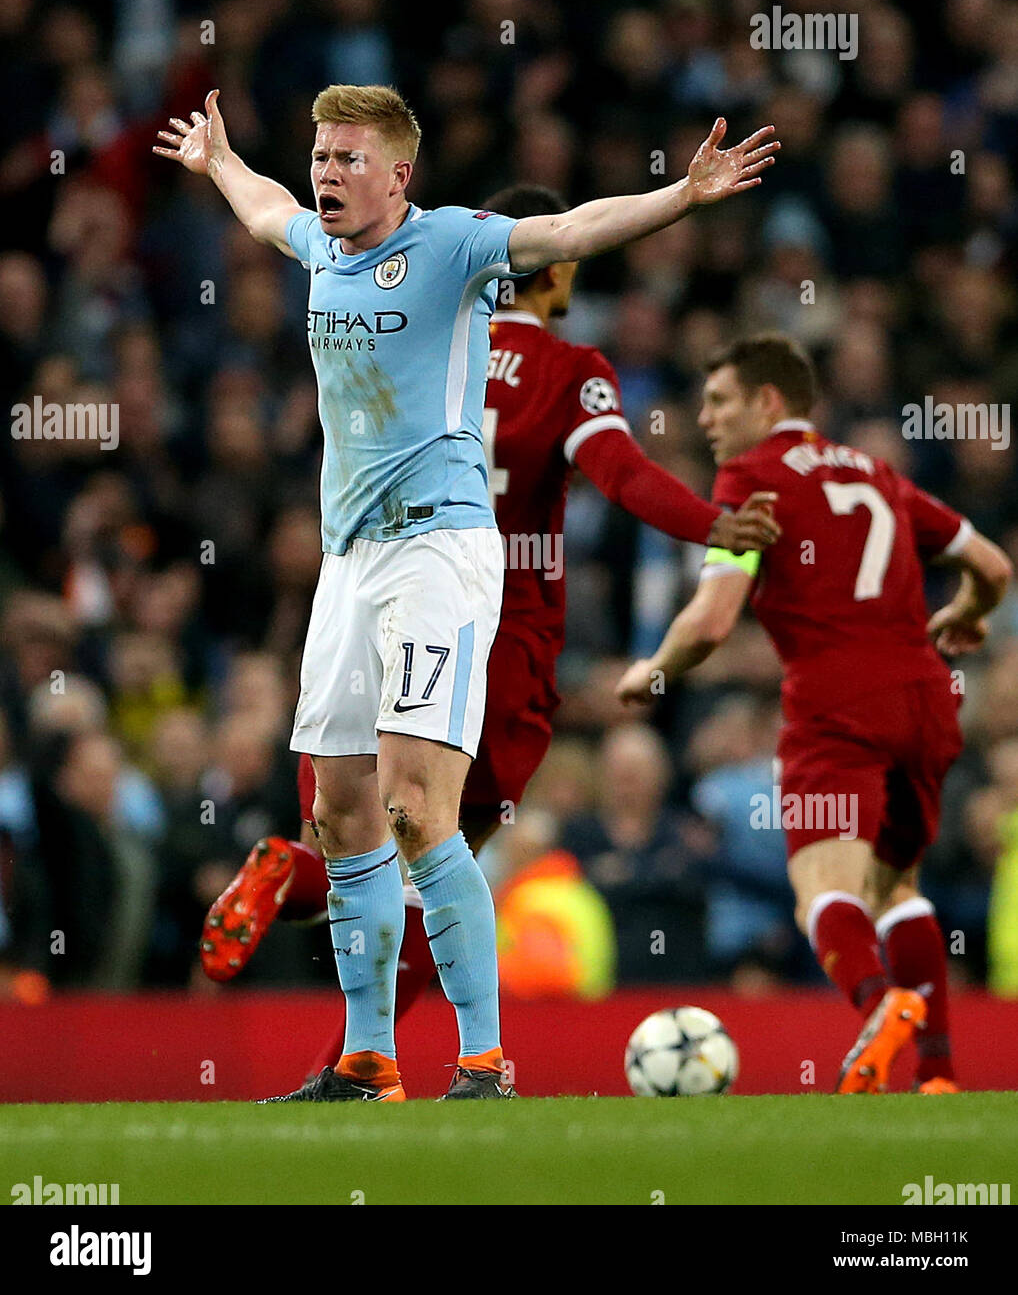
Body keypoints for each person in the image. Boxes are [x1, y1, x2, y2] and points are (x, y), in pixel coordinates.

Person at [155, 86, 779, 1101]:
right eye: (319, 156)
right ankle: (366, 1059)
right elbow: (265, 208)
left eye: (347, 159)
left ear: (399, 173)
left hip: (437, 553)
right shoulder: (318, 248)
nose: (325, 174)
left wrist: (682, 197)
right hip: (348, 561)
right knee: (344, 814)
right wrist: (221, 160)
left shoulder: (452, 245)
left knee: (414, 806)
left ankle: (485, 1062)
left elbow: (566, 228)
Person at [617, 333, 1013, 1093]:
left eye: (721, 400)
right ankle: (937, 1073)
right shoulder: (879, 474)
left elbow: (712, 618)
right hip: (926, 700)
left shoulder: (751, 477)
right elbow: (993, 567)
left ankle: (878, 1002)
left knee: (822, 892)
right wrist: (965, 610)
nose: (704, 418)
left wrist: (653, 670)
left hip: (836, 705)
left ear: (769, 402)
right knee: (896, 889)